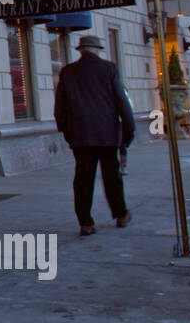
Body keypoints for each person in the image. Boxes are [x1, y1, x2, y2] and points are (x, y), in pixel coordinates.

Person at [53, 34, 135, 236]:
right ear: (97, 50)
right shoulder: (109, 68)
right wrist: (129, 129)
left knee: (82, 178)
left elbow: (59, 107)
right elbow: (121, 101)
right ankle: (120, 213)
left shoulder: (68, 72)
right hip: (107, 134)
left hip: (80, 135)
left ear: (80, 51)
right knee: (112, 176)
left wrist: (66, 130)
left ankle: (85, 222)